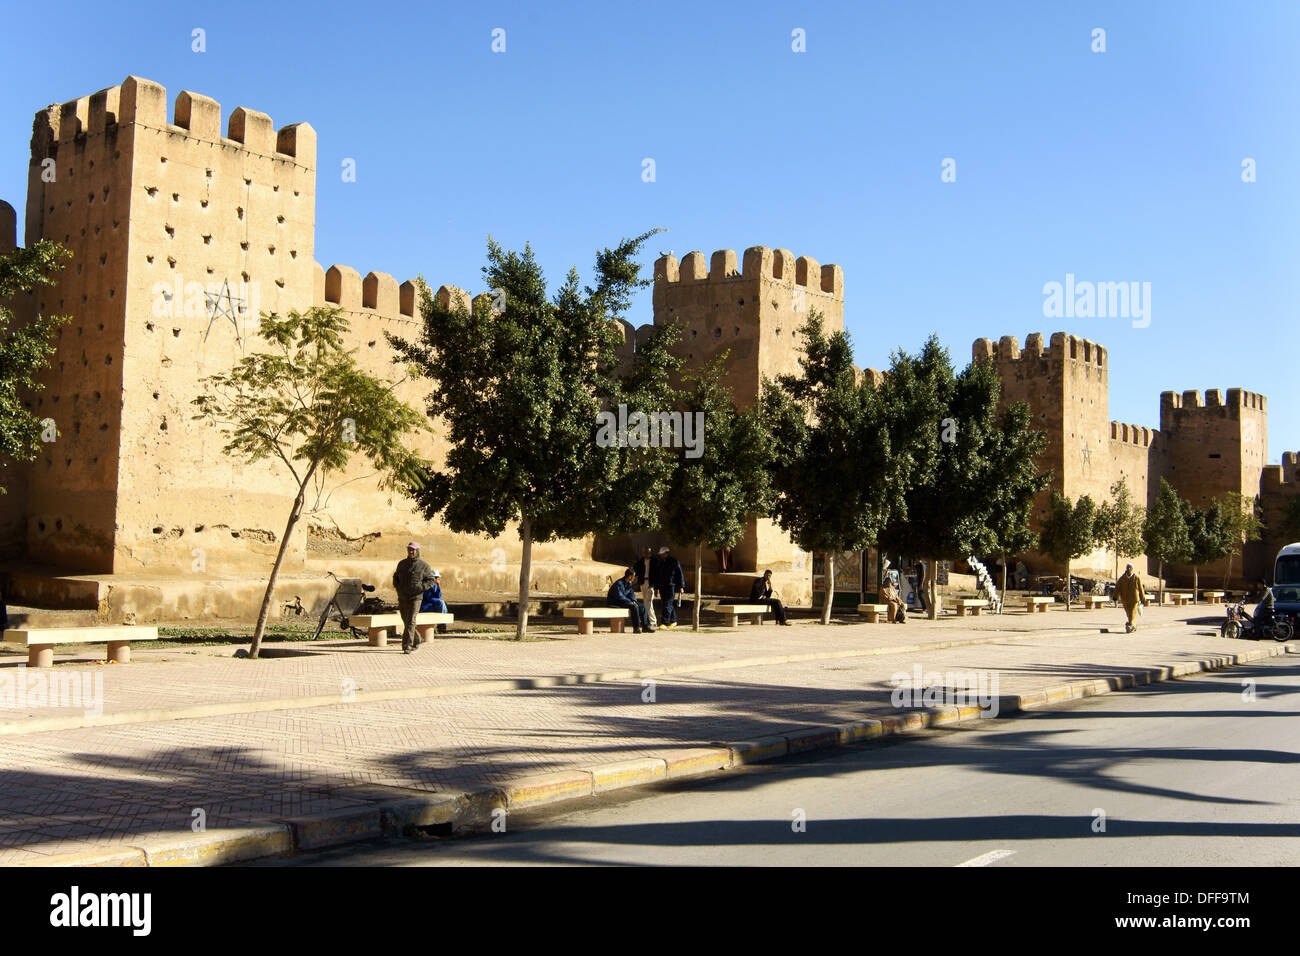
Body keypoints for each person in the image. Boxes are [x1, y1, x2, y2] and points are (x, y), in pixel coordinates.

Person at [393, 541, 436, 654]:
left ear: (417, 551)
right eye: (409, 549)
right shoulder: (401, 564)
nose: (411, 552)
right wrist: (398, 588)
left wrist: (421, 587)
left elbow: (431, 580)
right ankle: (417, 639)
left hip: (416, 597)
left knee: (411, 621)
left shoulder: (424, 566)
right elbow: (396, 577)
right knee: (406, 621)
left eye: (413, 550)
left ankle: (407, 645)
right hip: (403, 597)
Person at [607, 568, 652, 633]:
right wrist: (630, 602)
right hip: (616, 602)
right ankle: (636, 628)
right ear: (630, 576)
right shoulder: (619, 584)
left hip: (625, 601)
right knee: (634, 607)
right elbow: (620, 597)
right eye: (634, 576)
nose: (634, 578)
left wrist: (633, 600)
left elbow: (631, 593)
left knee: (642, 607)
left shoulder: (629, 583)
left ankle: (645, 626)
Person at [653, 545, 685, 628]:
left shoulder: (674, 562)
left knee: (667, 604)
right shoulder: (660, 562)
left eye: (662, 553)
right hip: (662, 586)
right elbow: (657, 576)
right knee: (666, 604)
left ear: (667, 553)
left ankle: (665, 622)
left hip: (671, 586)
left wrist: (681, 586)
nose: (661, 555)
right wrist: (656, 588)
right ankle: (673, 620)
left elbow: (679, 574)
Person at [1115, 564, 1147, 633]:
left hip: (1134, 599)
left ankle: (1130, 625)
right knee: (1128, 613)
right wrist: (1115, 596)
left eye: (1130, 568)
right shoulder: (1122, 578)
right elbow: (1117, 588)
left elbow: (1141, 589)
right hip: (1125, 599)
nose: (1129, 569)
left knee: (1132, 613)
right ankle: (1133, 625)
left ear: (1132, 569)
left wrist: (1143, 598)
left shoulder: (1136, 578)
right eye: (1128, 568)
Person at [634, 547, 659, 630]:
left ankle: (652, 621)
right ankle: (647, 620)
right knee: (645, 601)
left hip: (650, 583)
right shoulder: (641, 561)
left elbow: (656, 574)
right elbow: (635, 569)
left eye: (647, 553)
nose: (646, 554)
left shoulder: (655, 562)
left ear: (650, 553)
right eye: (644, 553)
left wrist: (656, 587)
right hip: (643, 582)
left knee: (648, 601)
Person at [421, 569, 449, 634]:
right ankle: (442, 626)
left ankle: (442, 625)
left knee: (442, 604)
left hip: (433, 604)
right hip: (426, 605)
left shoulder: (435, 585)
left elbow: (438, 595)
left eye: (437, 578)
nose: (436, 579)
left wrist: (439, 587)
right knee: (441, 604)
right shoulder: (427, 585)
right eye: (435, 577)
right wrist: (438, 601)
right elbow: (429, 597)